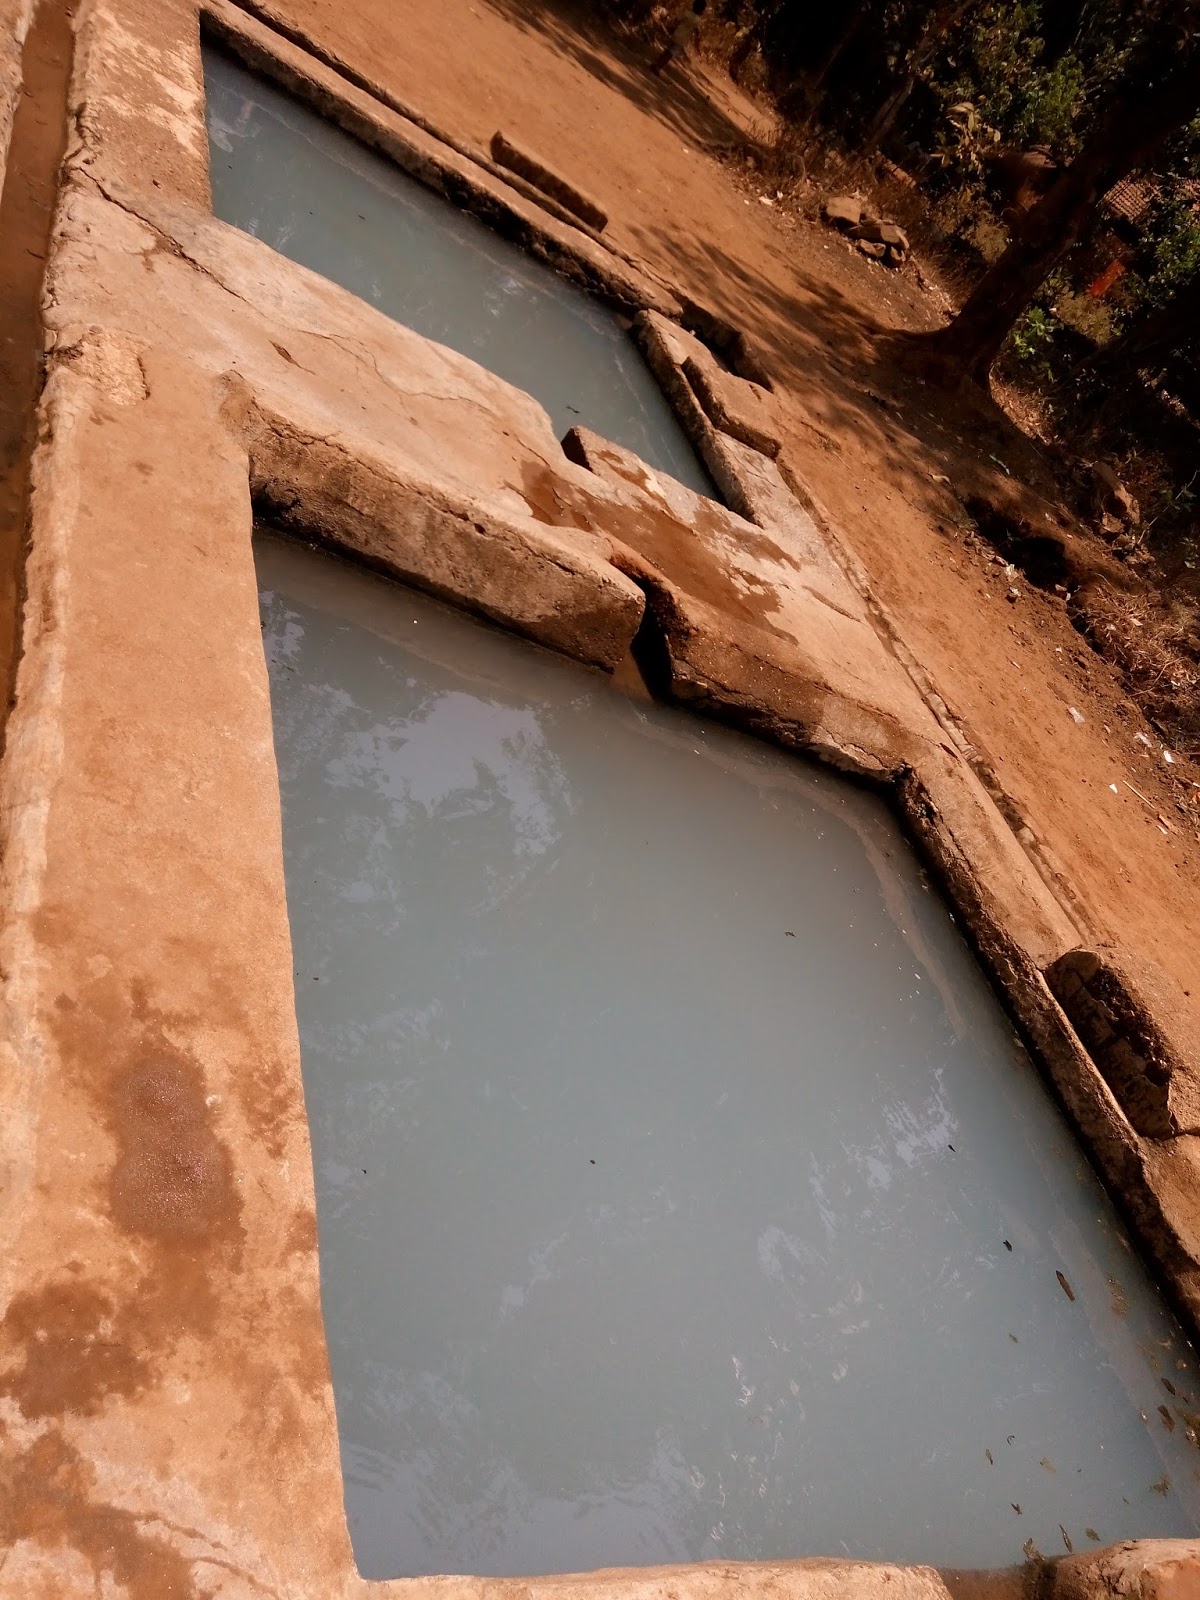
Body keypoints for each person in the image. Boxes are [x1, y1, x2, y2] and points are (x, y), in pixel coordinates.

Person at [650, 0, 707, 76]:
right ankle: (658, 67)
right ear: (702, 10)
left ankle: (656, 64)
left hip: (675, 35)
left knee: (667, 51)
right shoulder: (697, 20)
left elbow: (676, 20)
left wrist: (672, 27)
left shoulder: (686, 13)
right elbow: (697, 33)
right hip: (682, 41)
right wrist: (697, 44)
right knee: (670, 54)